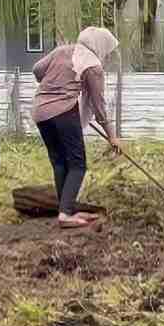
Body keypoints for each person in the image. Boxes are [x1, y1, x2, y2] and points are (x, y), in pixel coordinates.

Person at [31, 26, 121, 229]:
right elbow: (99, 106)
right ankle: (65, 215)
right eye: (107, 50)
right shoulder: (93, 66)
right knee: (77, 164)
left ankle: (66, 210)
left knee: (60, 162)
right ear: (100, 45)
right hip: (63, 111)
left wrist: (53, 82)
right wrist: (112, 137)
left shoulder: (63, 50)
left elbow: (37, 70)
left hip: (40, 111)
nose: (107, 54)